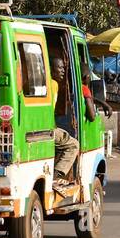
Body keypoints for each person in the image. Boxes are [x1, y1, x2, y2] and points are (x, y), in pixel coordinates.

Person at [48, 56, 80, 185]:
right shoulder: (52, 84)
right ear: (51, 69)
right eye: (59, 67)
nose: (62, 71)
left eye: (63, 68)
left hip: (48, 127)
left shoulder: (54, 85)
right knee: (73, 145)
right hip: (47, 129)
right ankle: (56, 176)